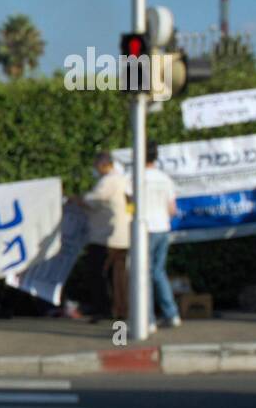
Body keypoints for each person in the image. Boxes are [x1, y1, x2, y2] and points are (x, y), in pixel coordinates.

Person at [75, 151, 131, 322]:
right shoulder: (123, 179)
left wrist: (74, 199)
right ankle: (121, 311)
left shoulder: (108, 182)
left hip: (105, 238)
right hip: (122, 236)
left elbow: (92, 200)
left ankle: (103, 309)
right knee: (119, 277)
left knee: (98, 273)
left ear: (102, 165)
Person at [144, 142, 182, 331]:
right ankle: (172, 314)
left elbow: (128, 203)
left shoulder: (135, 177)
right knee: (158, 272)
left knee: (143, 274)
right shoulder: (165, 178)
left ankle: (148, 319)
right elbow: (172, 209)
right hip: (163, 227)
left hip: (144, 229)